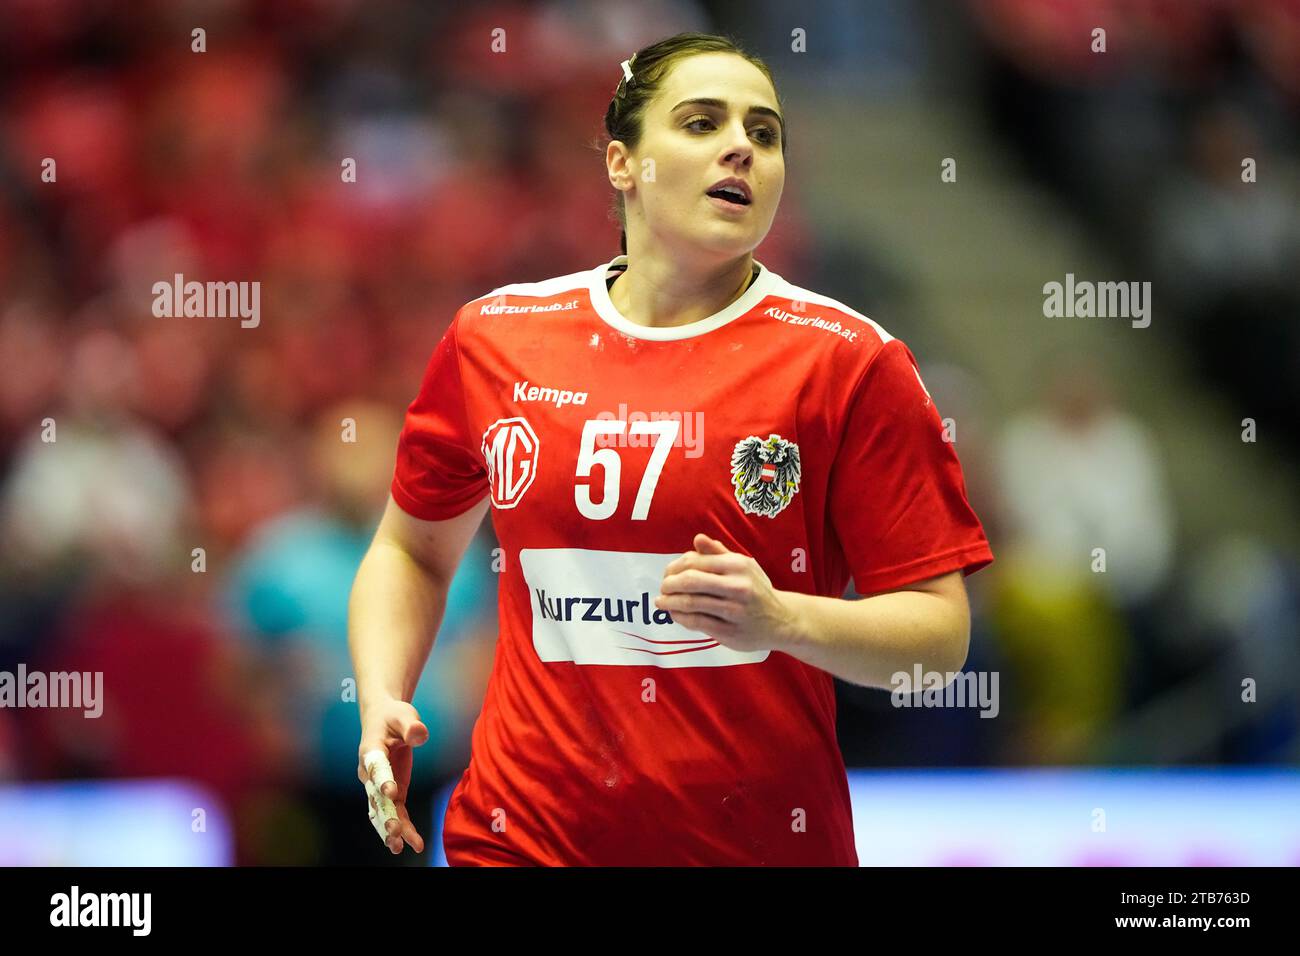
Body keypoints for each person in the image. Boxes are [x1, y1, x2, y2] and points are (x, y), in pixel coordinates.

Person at [348, 32, 993, 866]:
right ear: (623, 163)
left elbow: (939, 641)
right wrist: (381, 698)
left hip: (751, 844)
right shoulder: (498, 335)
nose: (741, 148)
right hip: (520, 839)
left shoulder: (849, 362)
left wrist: (783, 619)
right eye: (701, 123)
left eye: (765, 134)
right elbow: (412, 549)